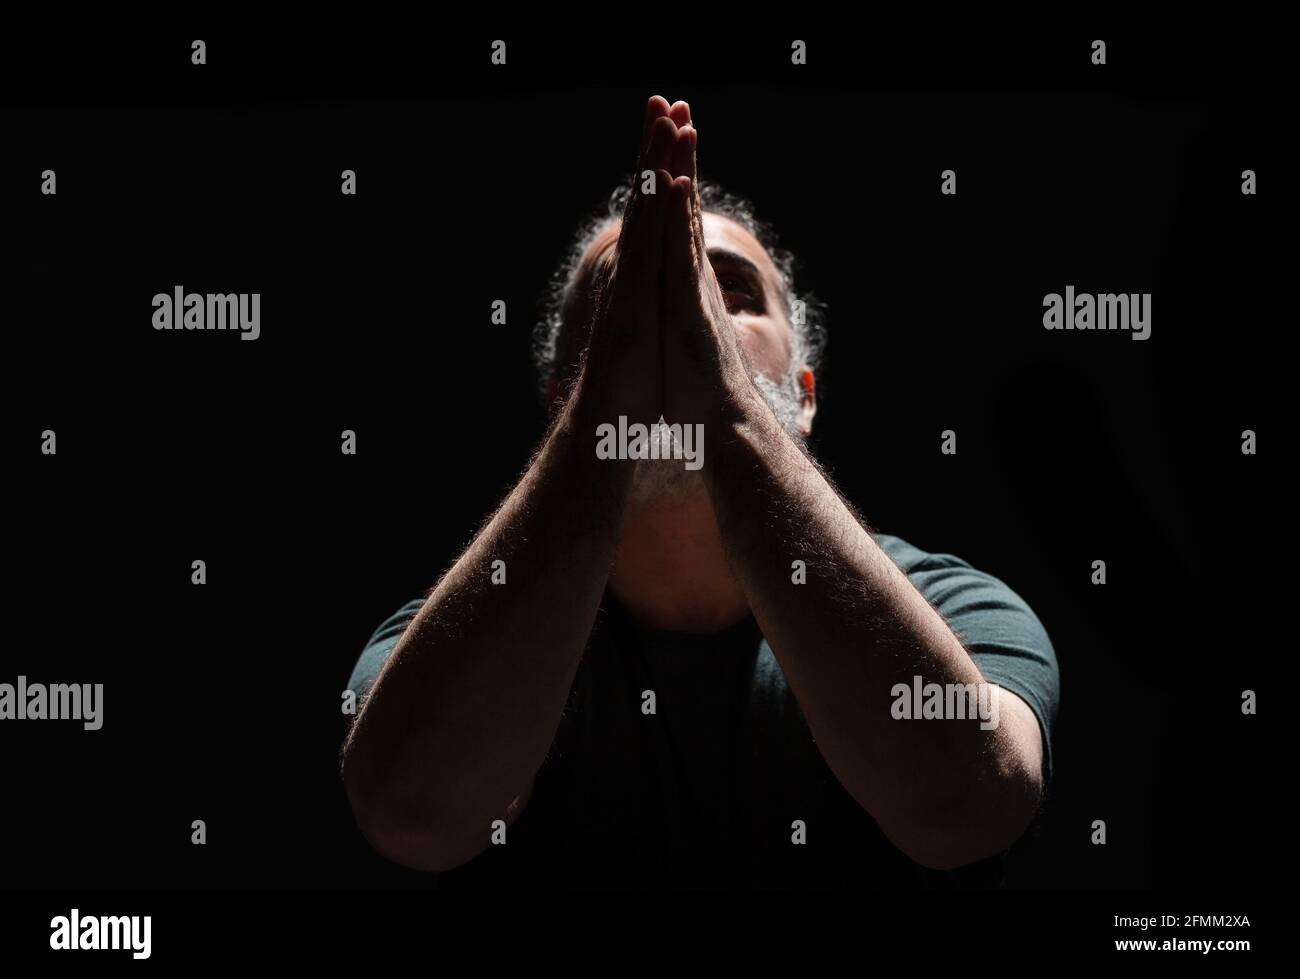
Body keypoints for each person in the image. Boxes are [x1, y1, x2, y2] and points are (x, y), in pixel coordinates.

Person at [340, 96, 1059, 888]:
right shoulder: (447, 629)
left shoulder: (957, 606)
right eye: (623, 300)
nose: (683, 313)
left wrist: (723, 408)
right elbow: (412, 814)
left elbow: (969, 804)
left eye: (734, 296)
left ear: (806, 393)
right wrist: (602, 421)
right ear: (560, 400)